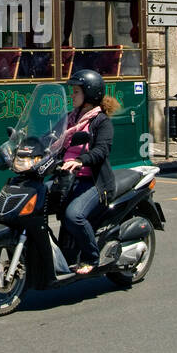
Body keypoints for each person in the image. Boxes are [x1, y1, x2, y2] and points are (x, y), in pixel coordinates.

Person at [57, 69, 119, 276]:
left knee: (73, 216)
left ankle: (91, 257)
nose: (72, 95)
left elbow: (101, 151)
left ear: (90, 94)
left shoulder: (101, 122)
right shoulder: (71, 119)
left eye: (76, 92)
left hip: (93, 182)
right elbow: (51, 138)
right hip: (68, 178)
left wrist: (79, 161)